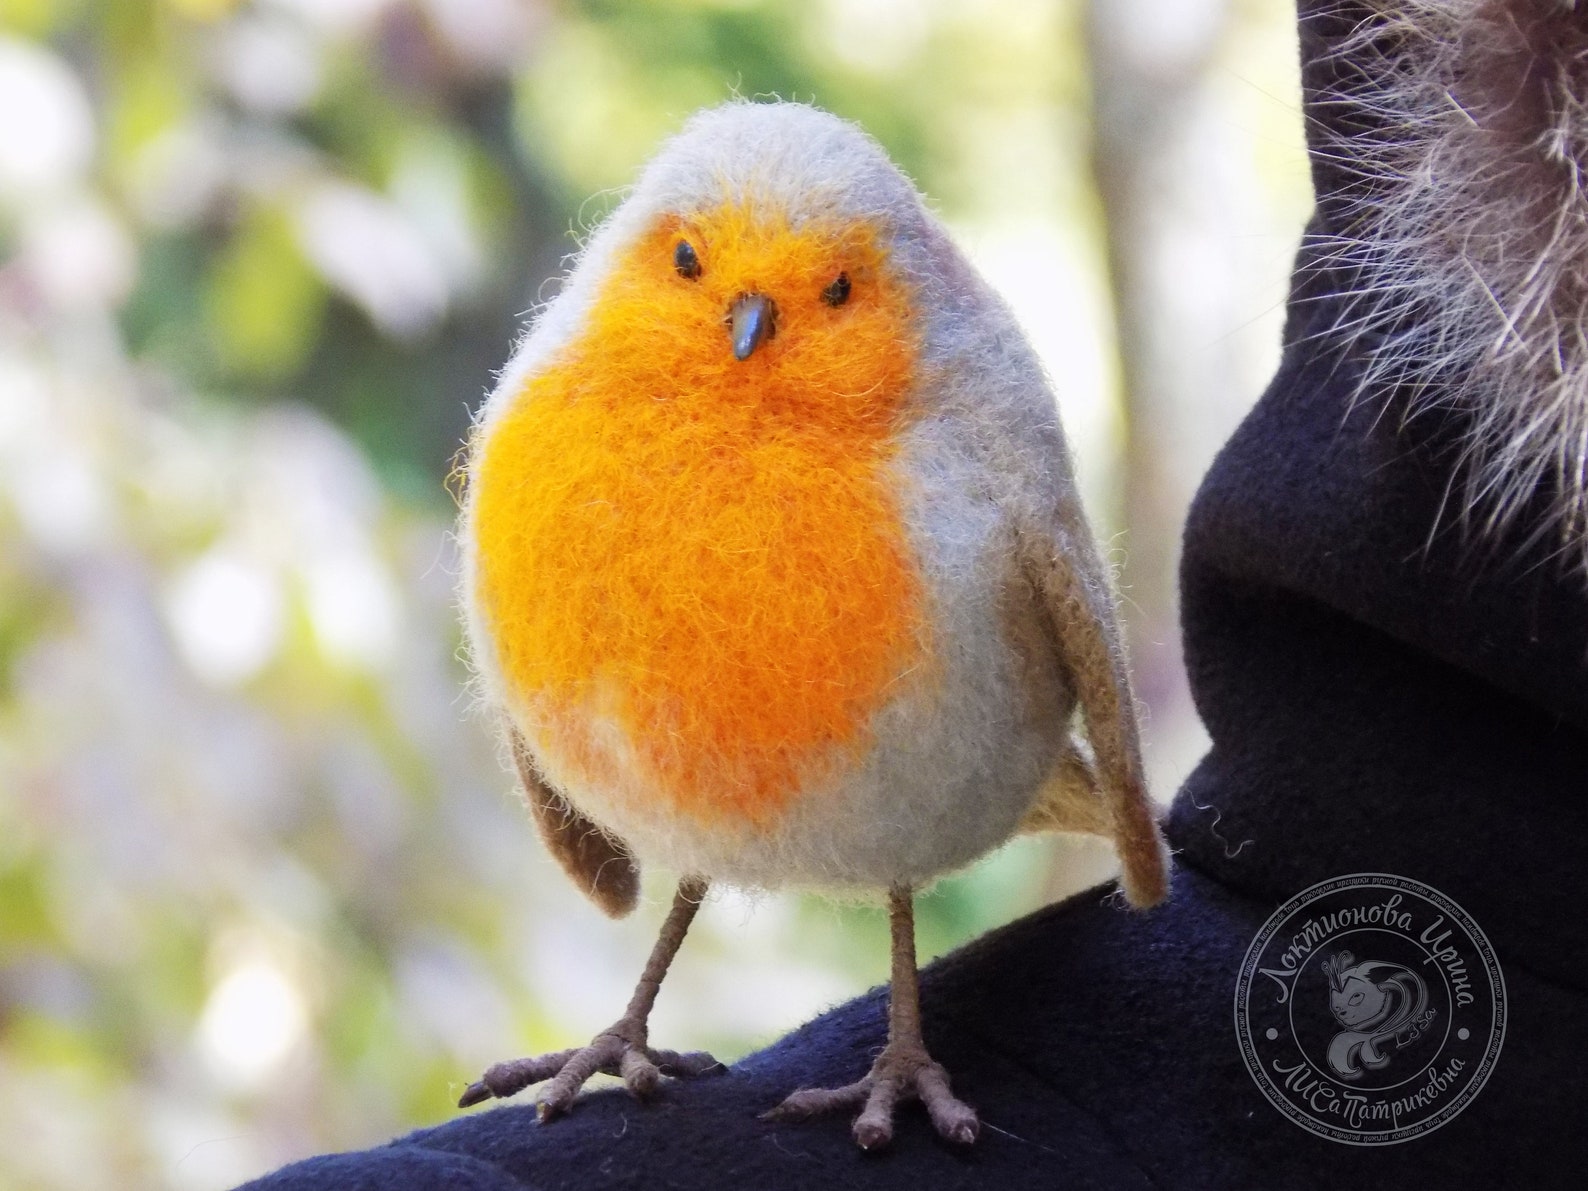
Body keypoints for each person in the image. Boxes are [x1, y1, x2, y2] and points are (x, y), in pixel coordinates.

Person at [242, 3, 1588, 1186]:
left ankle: (903, 1041)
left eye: (825, 294)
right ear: (648, 253)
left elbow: (1062, 591)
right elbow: (523, 626)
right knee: (690, 866)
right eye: (699, 275)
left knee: (896, 880)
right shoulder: (554, 425)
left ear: (880, 289)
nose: (748, 328)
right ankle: (633, 1023)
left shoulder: (947, 454)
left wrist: (1124, 808)